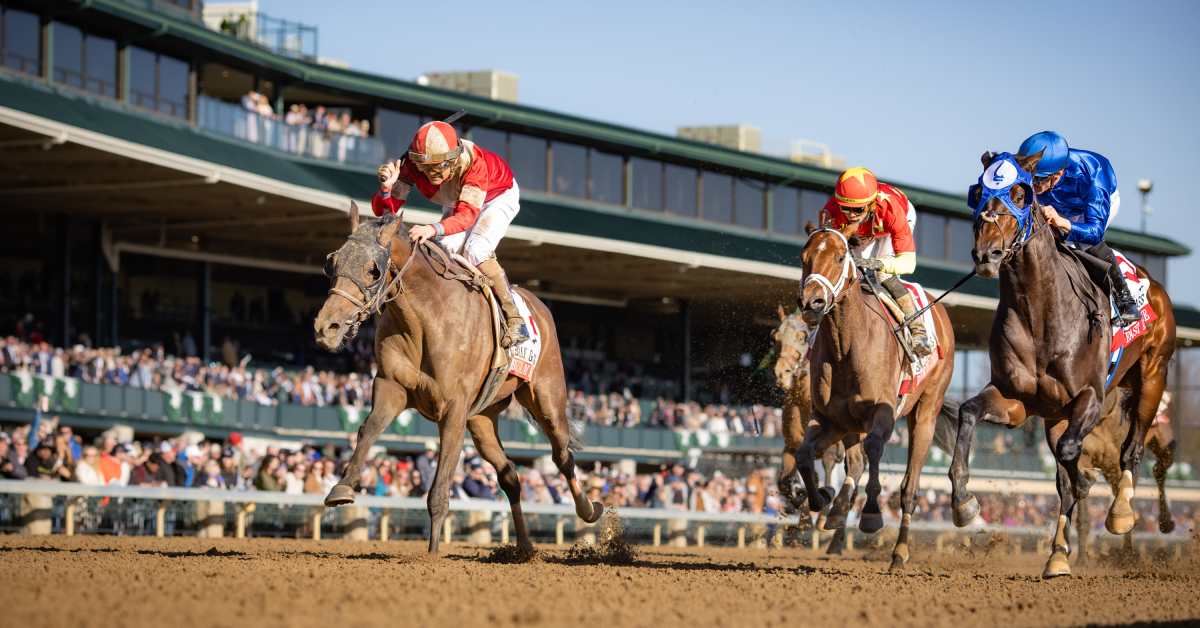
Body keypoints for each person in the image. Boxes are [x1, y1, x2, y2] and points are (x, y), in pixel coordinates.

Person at [372, 121, 530, 348]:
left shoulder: (474, 164)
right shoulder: (411, 165)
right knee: (441, 251)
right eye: (425, 167)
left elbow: (467, 216)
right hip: (457, 199)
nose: (430, 174)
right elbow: (385, 214)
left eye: (438, 167)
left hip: (497, 197)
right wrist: (386, 189)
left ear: (454, 159)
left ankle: (514, 317)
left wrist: (432, 228)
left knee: (476, 250)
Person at [1016, 131, 1140, 324]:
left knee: (1083, 244)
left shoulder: (1093, 177)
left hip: (1090, 207)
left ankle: (1125, 300)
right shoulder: (1040, 173)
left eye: (1038, 179)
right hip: (1057, 203)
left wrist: (1061, 222)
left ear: (1058, 174)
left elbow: (1094, 232)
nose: (1032, 183)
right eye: (1029, 176)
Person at [821, 167, 932, 356]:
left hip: (892, 222)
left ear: (871, 204)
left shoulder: (892, 210)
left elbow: (908, 263)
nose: (851, 215)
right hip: (863, 231)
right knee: (850, 272)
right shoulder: (831, 212)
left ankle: (918, 330)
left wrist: (880, 264)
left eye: (858, 209)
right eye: (845, 208)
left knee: (882, 275)